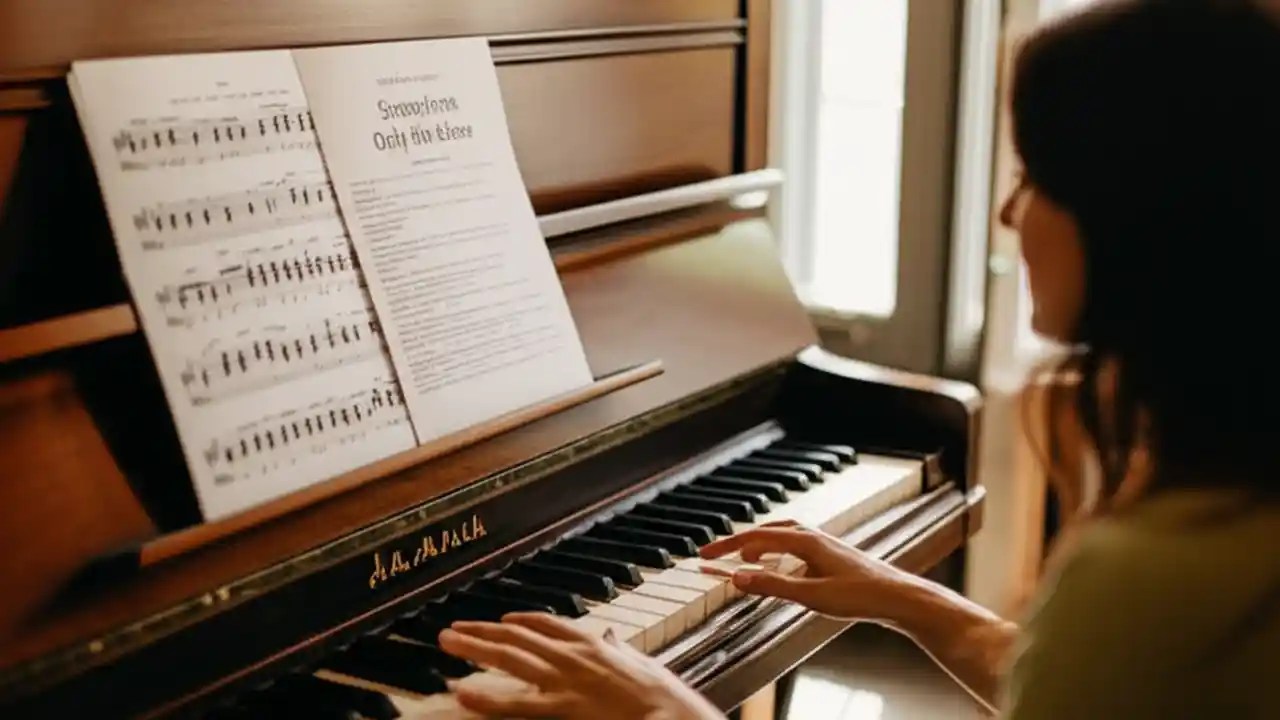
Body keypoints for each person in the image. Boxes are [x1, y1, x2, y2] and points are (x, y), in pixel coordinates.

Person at [436, 0, 1280, 716]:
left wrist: (667, 709)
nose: (1010, 215)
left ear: (1147, 221)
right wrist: (903, 595)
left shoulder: (1161, 578)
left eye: (1035, 177)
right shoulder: (1226, 541)